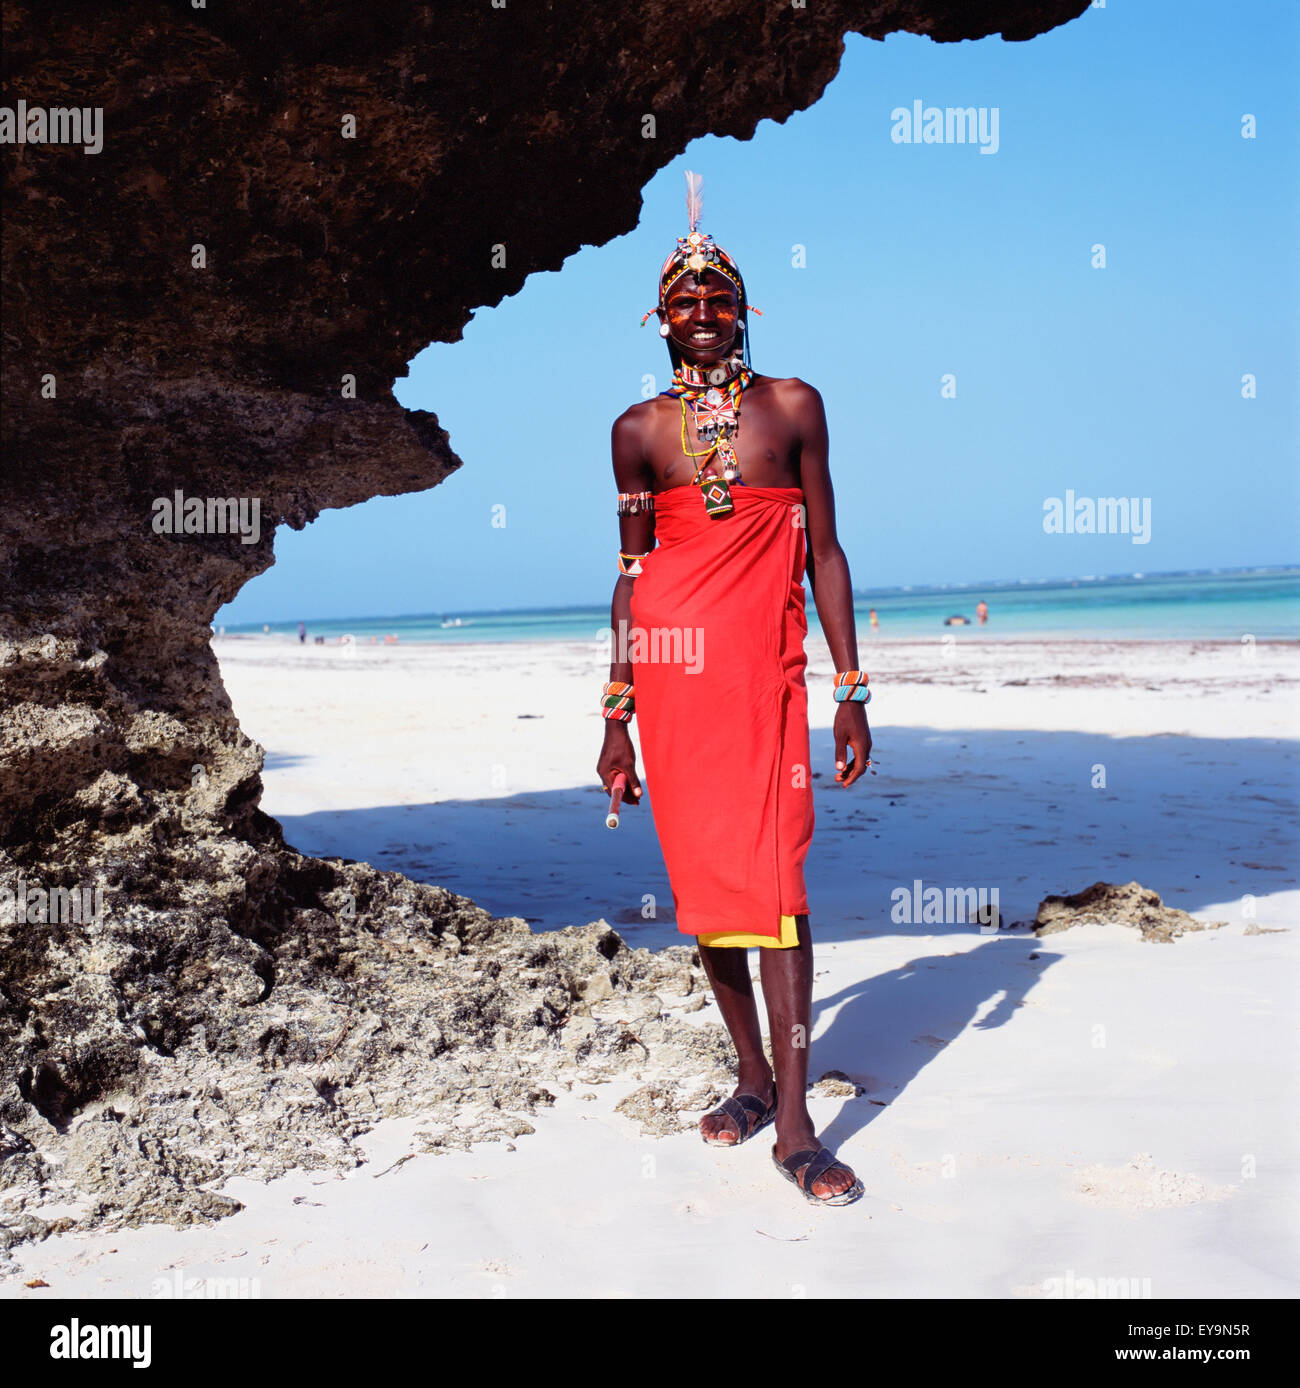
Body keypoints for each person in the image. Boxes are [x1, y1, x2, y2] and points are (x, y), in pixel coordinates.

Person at [595, 173, 871, 1205]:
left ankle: (795, 1124)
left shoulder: (793, 406)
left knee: (780, 893)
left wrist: (851, 685)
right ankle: (751, 1076)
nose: (702, 315)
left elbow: (826, 554)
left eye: (718, 299)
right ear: (658, 318)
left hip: (763, 680)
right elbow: (629, 577)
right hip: (669, 684)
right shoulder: (635, 430)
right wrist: (615, 713)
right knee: (711, 891)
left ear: (743, 309)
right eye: (683, 302)